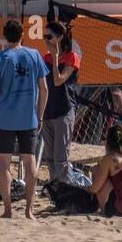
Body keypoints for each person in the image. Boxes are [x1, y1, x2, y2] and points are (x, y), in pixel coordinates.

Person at [0, 18, 49, 220]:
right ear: (23, 34)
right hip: (27, 117)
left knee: (4, 163)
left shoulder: (0, 58)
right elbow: (44, 89)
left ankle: (8, 210)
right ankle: (29, 210)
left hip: (5, 117)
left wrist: (0, 95)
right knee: (30, 162)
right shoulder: (34, 55)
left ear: (4, 36)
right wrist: (40, 115)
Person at [40, 20, 79, 184]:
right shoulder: (45, 58)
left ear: (60, 37)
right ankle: (56, 193)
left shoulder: (72, 57)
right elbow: (41, 85)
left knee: (61, 158)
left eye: (50, 36)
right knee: (49, 158)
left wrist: (56, 58)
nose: (46, 40)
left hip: (63, 111)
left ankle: (66, 194)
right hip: (48, 111)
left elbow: (58, 80)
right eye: (44, 36)